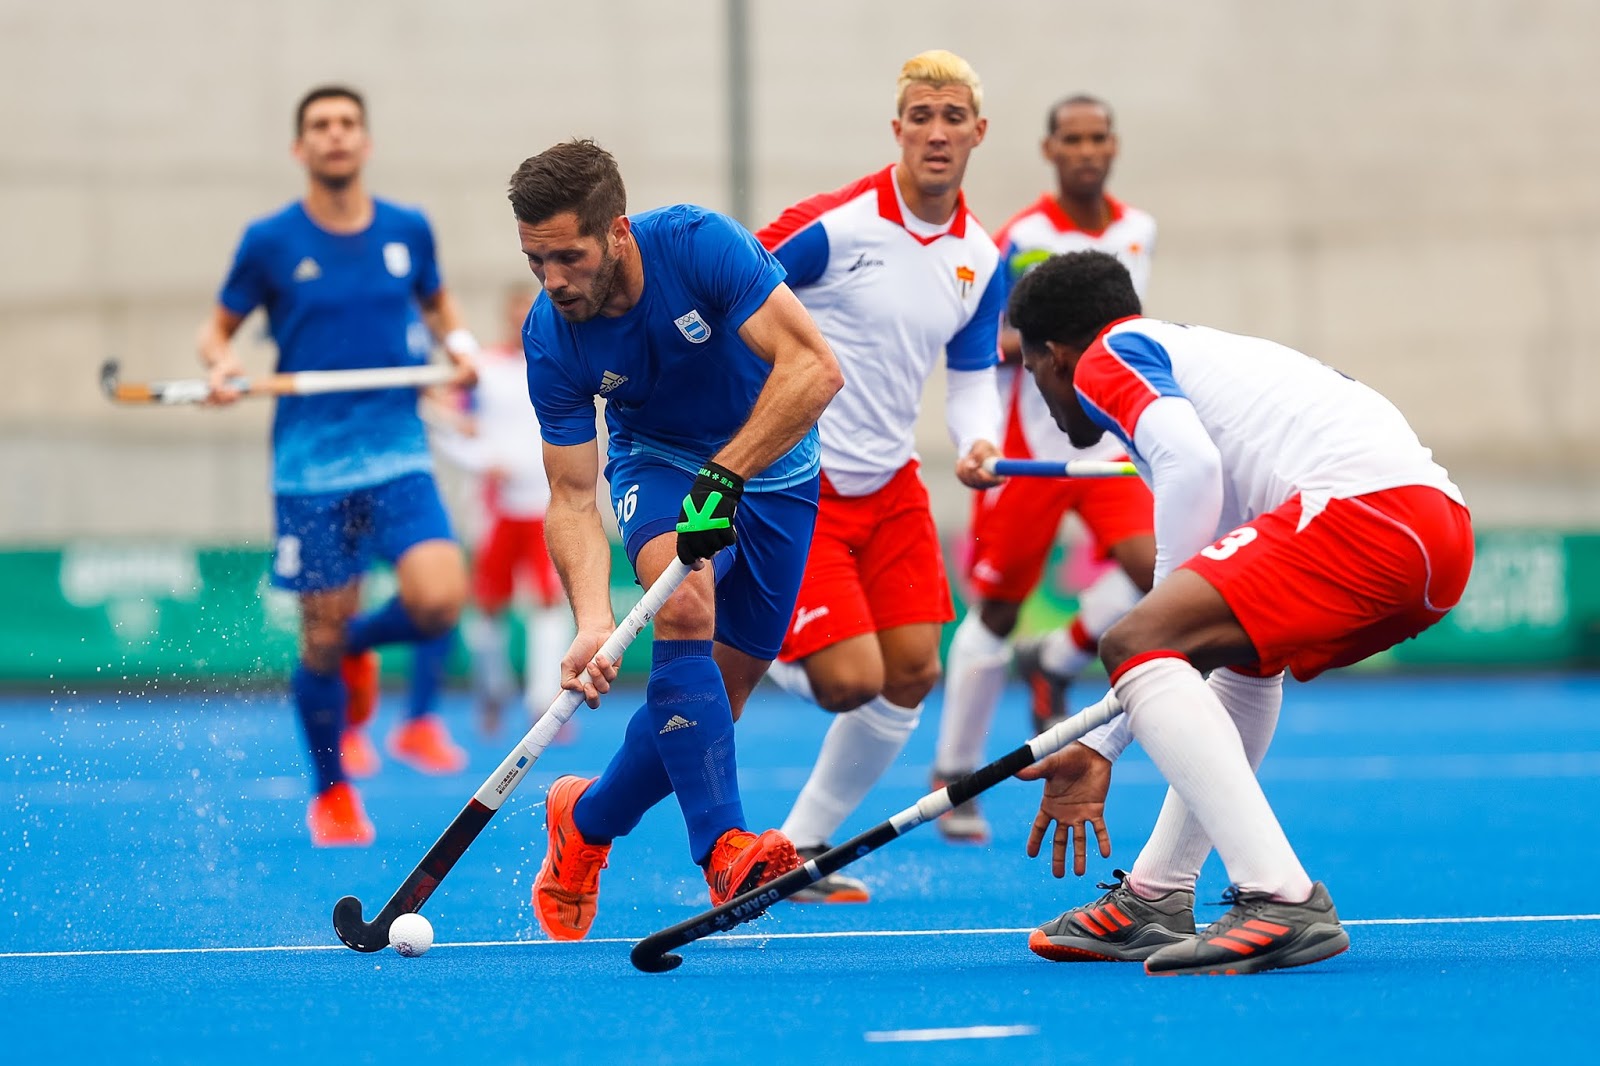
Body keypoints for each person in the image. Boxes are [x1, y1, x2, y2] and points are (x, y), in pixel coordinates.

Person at [1007, 250, 1473, 975]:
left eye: (1028, 368)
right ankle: (1155, 897)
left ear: (1057, 355)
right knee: (1242, 660)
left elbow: (1189, 468)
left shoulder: (1108, 355)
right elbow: (1190, 629)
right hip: (1434, 534)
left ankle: (1280, 897)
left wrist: (1152, 631)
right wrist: (1105, 742)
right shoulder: (1196, 368)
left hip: (1374, 516)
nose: (1036, 390)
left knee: (1138, 636)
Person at [510, 139, 844, 941]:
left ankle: (583, 821)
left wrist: (728, 473)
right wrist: (592, 620)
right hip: (656, 461)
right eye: (536, 262)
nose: (554, 281)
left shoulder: (698, 245)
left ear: (617, 232)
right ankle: (725, 849)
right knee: (684, 605)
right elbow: (571, 493)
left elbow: (815, 369)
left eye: (569, 257)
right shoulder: (551, 337)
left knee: (706, 711)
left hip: (776, 471)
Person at [754, 50, 1007, 902]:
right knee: (849, 683)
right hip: (801, 479)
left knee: (912, 672)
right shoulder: (835, 223)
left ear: (978, 132)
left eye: (953, 117)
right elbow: (728, 295)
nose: (937, 132)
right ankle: (752, 640)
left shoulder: (980, 255)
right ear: (897, 129)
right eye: (921, 116)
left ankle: (796, 852)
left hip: (893, 486)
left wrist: (976, 443)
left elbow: (973, 376)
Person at [198, 85, 478, 847]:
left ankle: (356, 645)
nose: (335, 136)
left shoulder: (408, 229)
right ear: (301, 148)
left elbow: (440, 308)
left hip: (396, 453)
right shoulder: (270, 241)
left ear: (365, 140)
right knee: (316, 641)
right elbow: (217, 333)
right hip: (310, 469)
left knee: (438, 601)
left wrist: (458, 351)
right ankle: (333, 794)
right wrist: (222, 369)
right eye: (320, 126)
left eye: (348, 123)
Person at [933, 94, 1158, 844]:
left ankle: (1059, 658)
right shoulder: (1022, 236)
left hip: (1108, 448)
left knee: (1153, 570)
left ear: (1115, 145)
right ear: (1050, 150)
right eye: (1074, 139)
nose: (1088, 151)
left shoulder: (1138, 231)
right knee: (993, 614)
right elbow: (983, 332)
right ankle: (955, 774)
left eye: (1099, 137)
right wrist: (1036, 344)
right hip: (1031, 452)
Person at [424, 283, 575, 736]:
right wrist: (481, 461)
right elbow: (440, 418)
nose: (523, 325)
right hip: (496, 507)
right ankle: (492, 690)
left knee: (549, 602)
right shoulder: (483, 370)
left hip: (549, 503)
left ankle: (544, 702)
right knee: (489, 607)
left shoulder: (561, 365)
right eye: (516, 316)